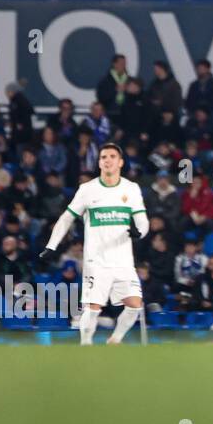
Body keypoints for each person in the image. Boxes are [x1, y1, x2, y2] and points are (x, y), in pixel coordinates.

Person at [39, 143, 147, 345]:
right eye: (103, 157)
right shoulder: (87, 189)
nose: (107, 160)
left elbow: (143, 220)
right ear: (99, 163)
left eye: (112, 156)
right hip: (96, 259)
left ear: (121, 162)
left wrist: (139, 231)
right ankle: (86, 344)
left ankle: (115, 340)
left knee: (135, 305)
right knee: (93, 306)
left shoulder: (131, 189)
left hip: (123, 260)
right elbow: (66, 218)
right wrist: (51, 245)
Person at [185, 59, 213, 124]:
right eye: (198, 68)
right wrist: (194, 112)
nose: (199, 70)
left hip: (212, 115)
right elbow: (189, 100)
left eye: (202, 68)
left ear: (208, 69)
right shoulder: (194, 85)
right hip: (195, 117)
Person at [95, 54, 131, 120]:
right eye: (121, 63)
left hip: (127, 116)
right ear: (114, 64)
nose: (123, 65)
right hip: (110, 115)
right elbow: (101, 97)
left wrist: (130, 91)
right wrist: (115, 90)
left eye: (124, 63)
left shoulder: (129, 80)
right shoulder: (105, 81)